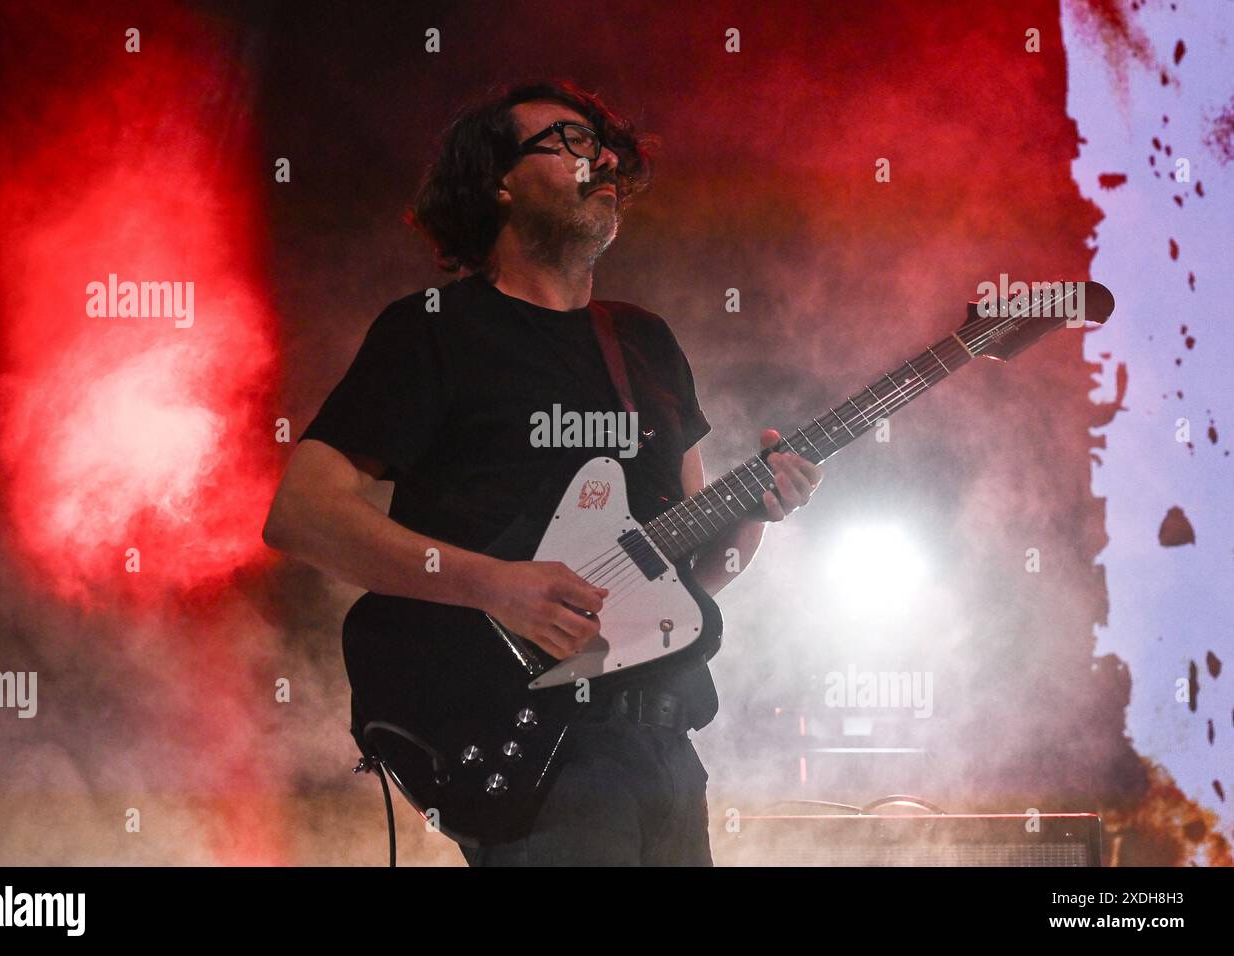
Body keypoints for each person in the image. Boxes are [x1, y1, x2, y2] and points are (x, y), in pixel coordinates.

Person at [262, 79, 822, 865]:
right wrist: (496, 585)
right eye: (561, 142)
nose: (591, 158)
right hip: (532, 750)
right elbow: (304, 514)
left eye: (598, 145)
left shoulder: (645, 342)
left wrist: (758, 511)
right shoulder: (434, 331)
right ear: (498, 182)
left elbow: (692, 578)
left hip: (663, 747)